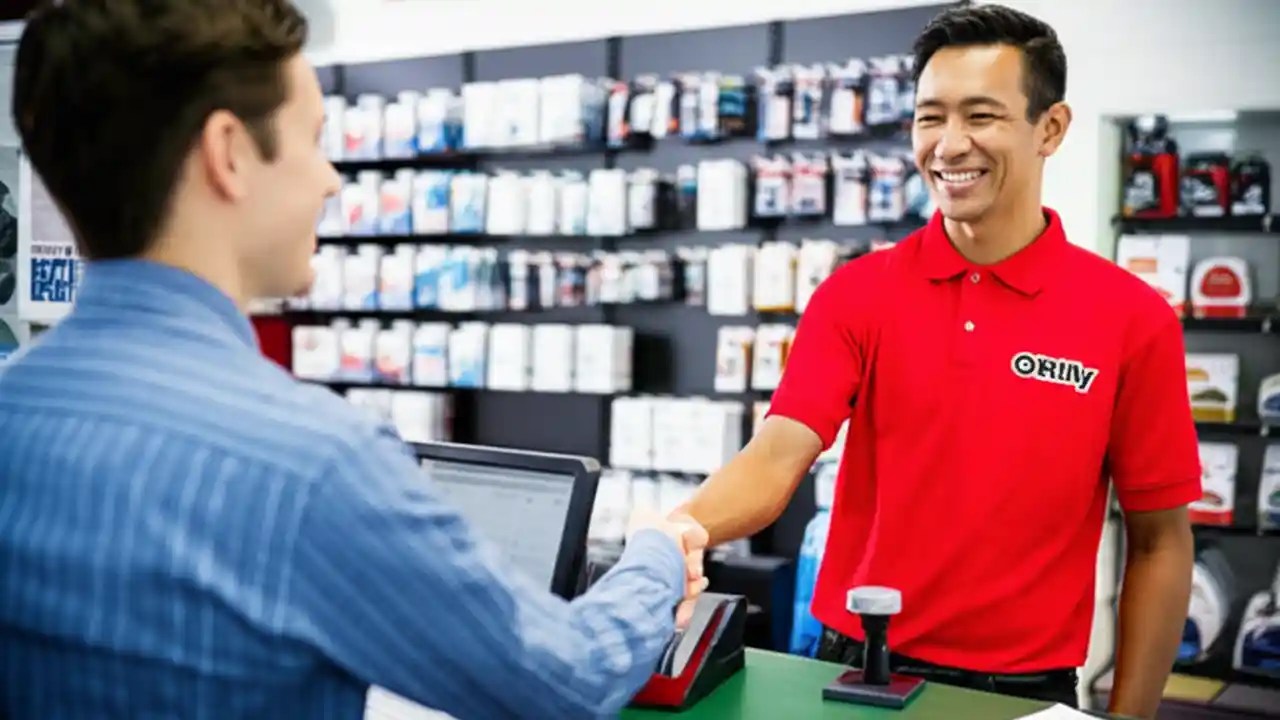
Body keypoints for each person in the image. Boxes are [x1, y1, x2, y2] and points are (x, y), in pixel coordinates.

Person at [0, 2, 708, 719]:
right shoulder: (310, 463)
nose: (332, 181)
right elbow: (564, 681)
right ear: (230, 154)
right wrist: (652, 557)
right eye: (312, 139)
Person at [675, 5, 1198, 718]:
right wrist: (678, 530)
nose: (949, 145)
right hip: (853, 672)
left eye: (980, 116)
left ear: (1051, 128)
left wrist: (1130, 717)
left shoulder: (1131, 317)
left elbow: (1161, 543)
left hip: (1024, 694)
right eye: (930, 117)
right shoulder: (857, 293)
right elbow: (776, 455)